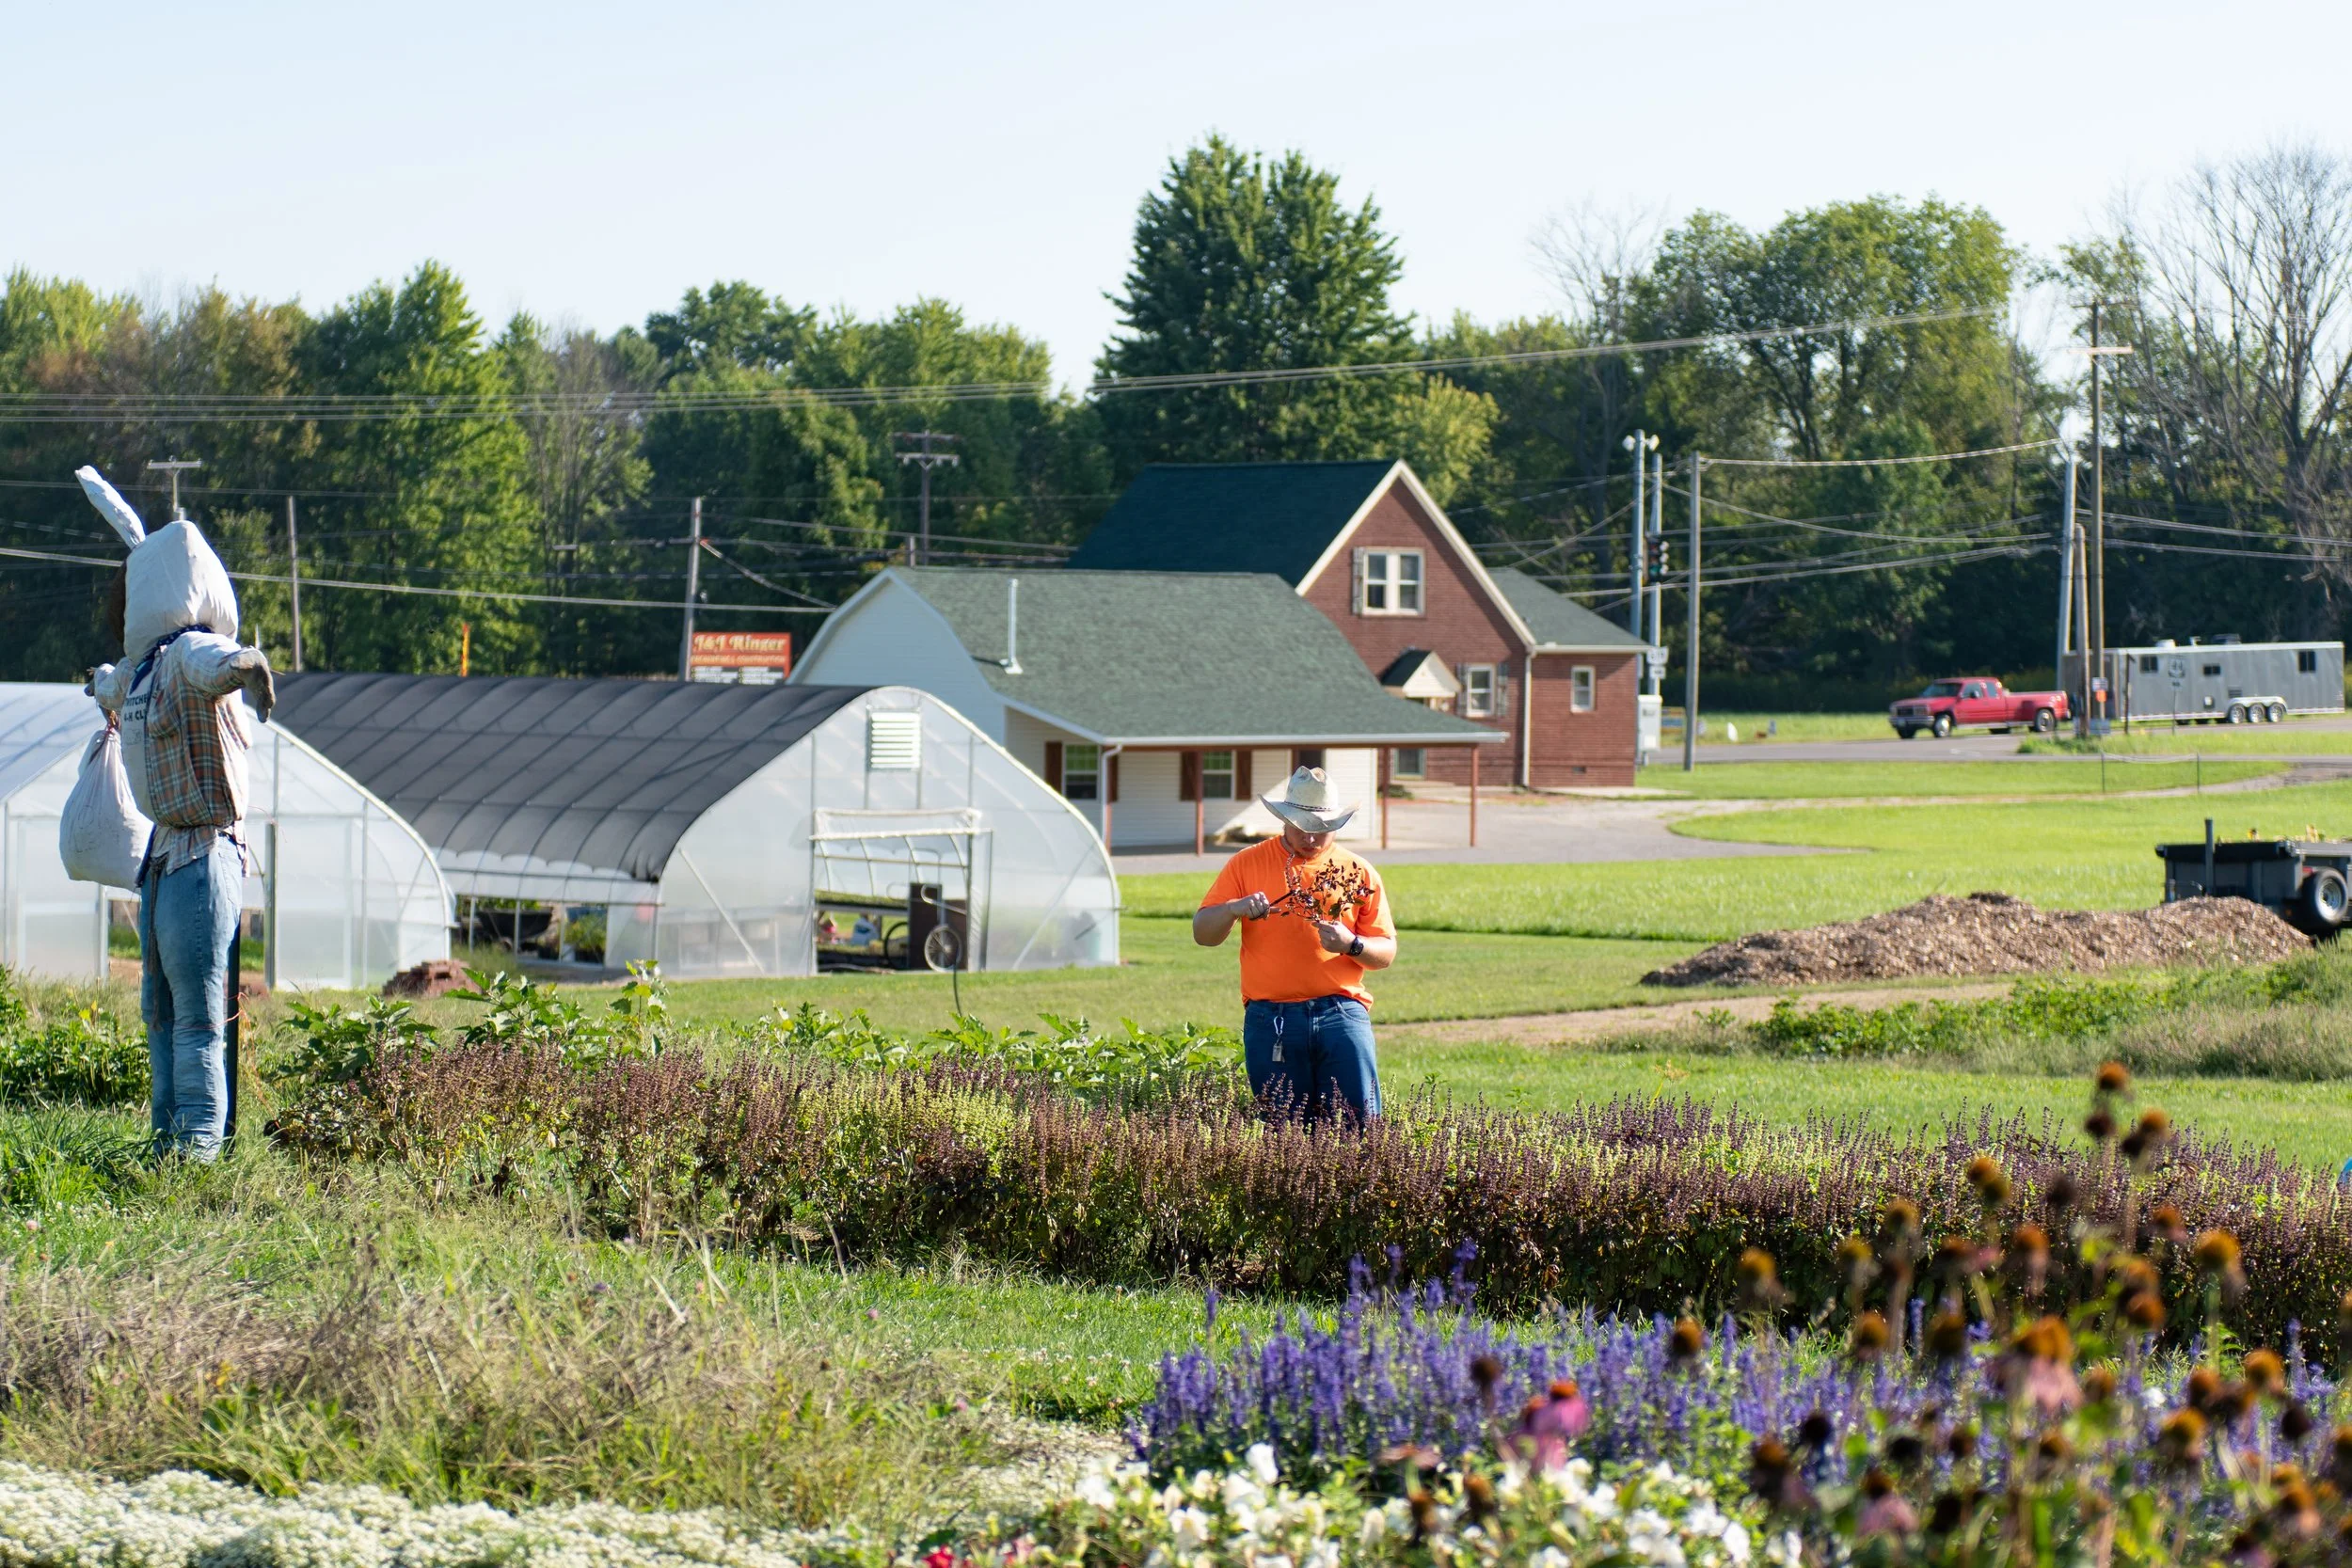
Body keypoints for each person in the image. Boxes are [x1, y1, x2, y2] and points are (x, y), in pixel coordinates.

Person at [84, 484, 275, 1162]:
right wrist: (98, 683)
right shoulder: (140, 671)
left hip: (202, 851)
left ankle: (196, 1148)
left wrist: (244, 665)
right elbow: (111, 683)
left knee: (196, 1018)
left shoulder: (188, 650)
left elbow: (210, 665)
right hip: (164, 861)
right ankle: (165, 1139)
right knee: (158, 1014)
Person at [1193, 766, 1397, 1120]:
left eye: (1322, 830)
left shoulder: (1358, 872)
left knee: (1359, 1125)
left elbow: (1386, 952)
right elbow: (1203, 934)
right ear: (1284, 820)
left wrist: (1352, 945)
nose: (1313, 839)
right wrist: (1235, 909)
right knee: (1282, 1135)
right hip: (1271, 1018)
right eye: (1303, 828)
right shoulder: (1247, 863)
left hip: (1341, 1013)